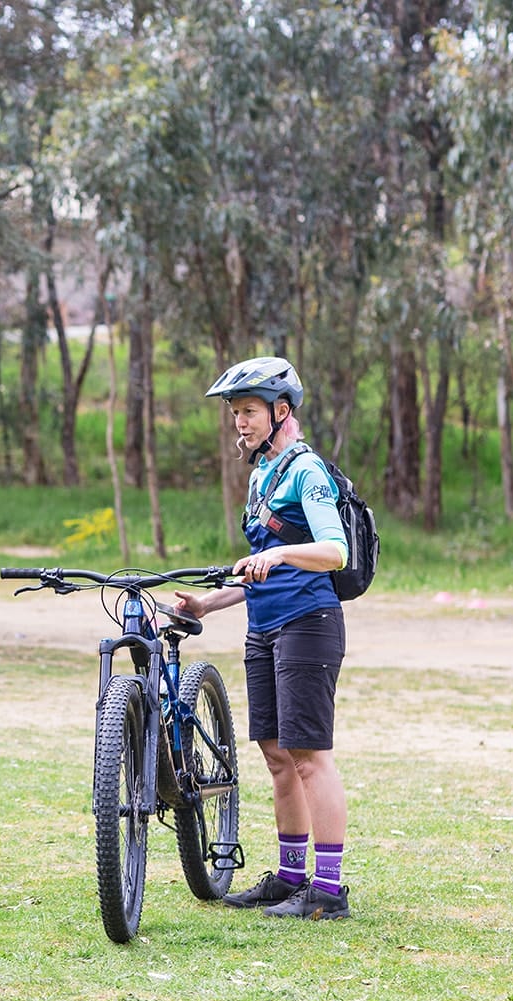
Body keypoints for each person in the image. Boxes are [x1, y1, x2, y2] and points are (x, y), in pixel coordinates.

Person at [172, 356, 353, 921]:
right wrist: (206, 602)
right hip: (265, 629)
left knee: (308, 756)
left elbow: (334, 551)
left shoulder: (307, 471)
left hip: (308, 625)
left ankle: (327, 890)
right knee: (276, 756)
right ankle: (291, 877)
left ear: (281, 411)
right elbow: (257, 574)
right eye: (234, 414)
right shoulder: (260, 477)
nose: (240, 424)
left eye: (248, 412)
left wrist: (277, 551)